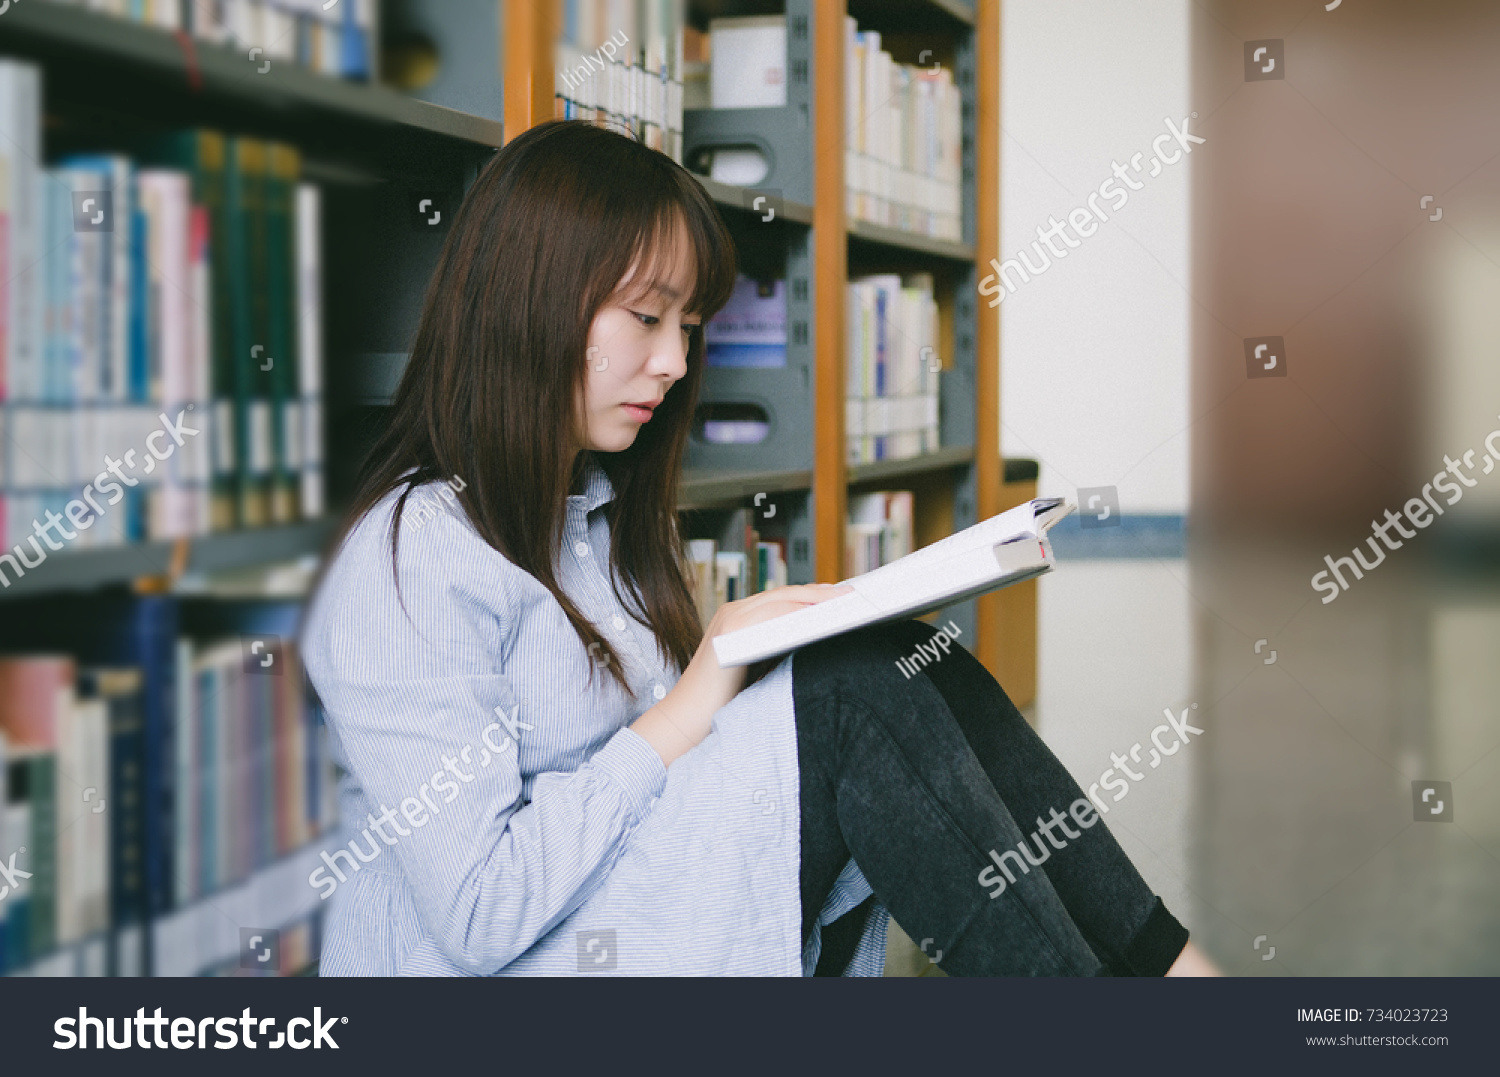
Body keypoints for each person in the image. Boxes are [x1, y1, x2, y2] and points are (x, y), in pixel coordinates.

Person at [300, 120, 1217, 977]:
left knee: (908, 659)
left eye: (688, 328)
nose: (674, 363)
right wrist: (692, 701)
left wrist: (755, 669)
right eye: (646, 317)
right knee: (853, 697)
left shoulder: (594, 516)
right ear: (527, 306)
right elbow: (478, 912)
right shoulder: (408, 560)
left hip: (623, 911)